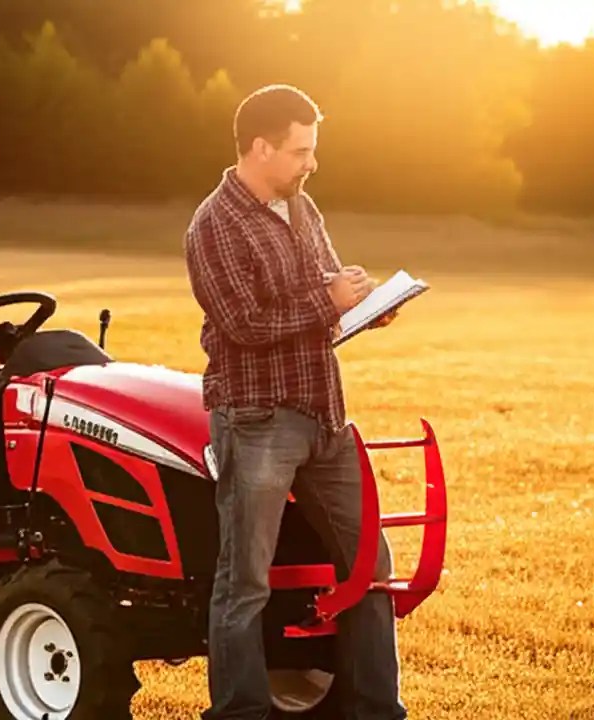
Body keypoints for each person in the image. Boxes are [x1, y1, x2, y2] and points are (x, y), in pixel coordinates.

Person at [183, 83, 406, 720]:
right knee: (244, 581)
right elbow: (244, 323)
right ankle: (241, 711)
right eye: (300, 150)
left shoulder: (301, 207)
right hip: (256, 421)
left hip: (325, 417)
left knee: (369, 565)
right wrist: (328, 303)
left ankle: (375, 709)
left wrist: (365, 307)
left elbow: (325, 294)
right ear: (260, 148)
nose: (311, 163)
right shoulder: (214, 225)